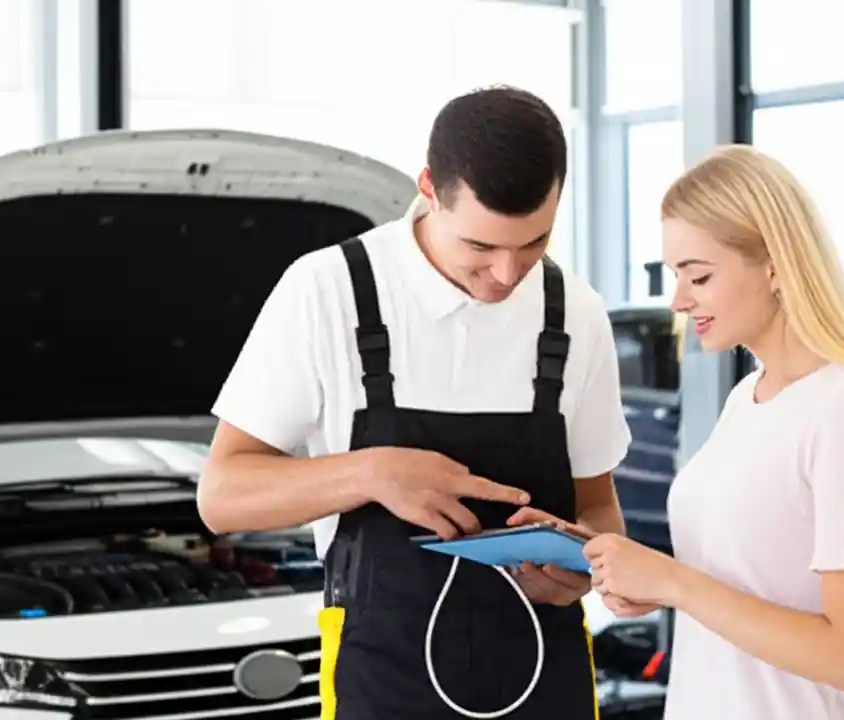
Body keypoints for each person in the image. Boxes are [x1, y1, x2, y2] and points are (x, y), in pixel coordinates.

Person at [197, 86, 632, 719]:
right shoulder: (329, 291)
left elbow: (599, 508)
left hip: (547, 680)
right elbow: (222, 497)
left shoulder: (577, 313)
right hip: (381, 682)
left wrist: (580, 567)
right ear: (428, 187)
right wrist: (373, 472)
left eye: (534, 243)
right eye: (481, 247)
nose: (509, 275)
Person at [583, 144, 844, 720]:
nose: (680, 300)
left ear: (775, 266)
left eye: (699, 276)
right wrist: (645, 577)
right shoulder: (748, 399)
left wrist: (677, 585)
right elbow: (740, 583)